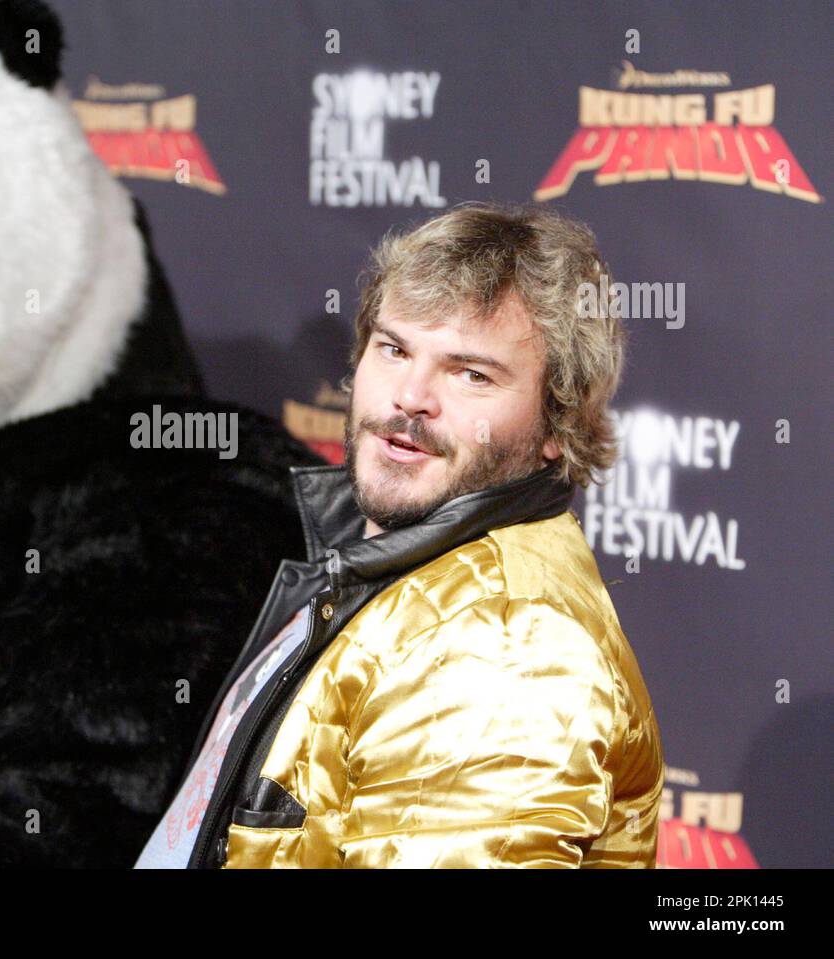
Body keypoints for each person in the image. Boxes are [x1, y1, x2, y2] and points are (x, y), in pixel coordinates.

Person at [135, 202, 664, 868]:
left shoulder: (503, 648)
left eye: (471, 373)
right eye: (394, 348)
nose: (411, 395)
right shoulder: (391, 568)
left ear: (559, 426)